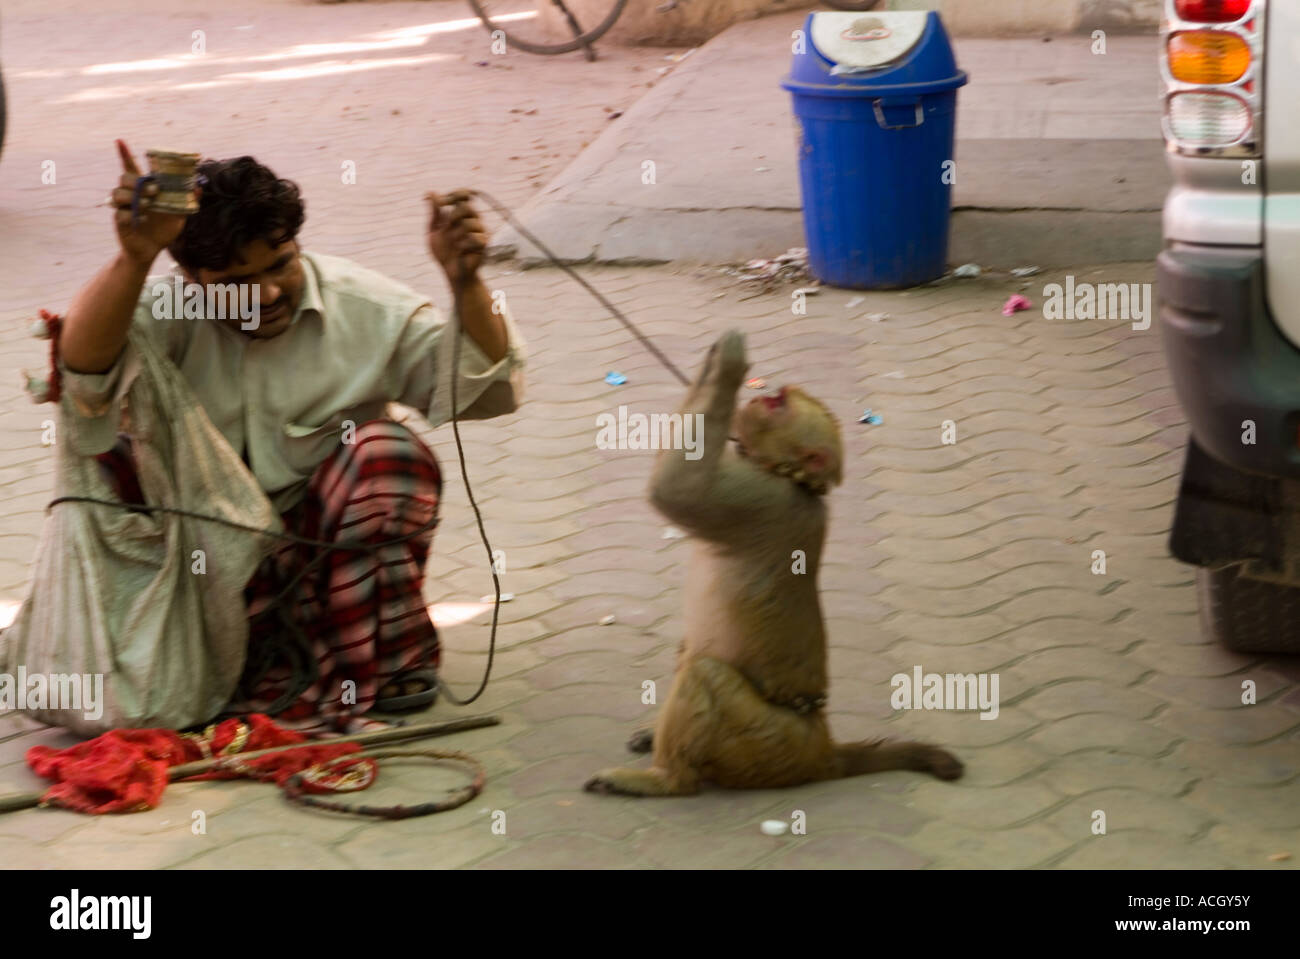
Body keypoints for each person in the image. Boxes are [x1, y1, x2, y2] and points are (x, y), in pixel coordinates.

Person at [53, 141, 525, 731]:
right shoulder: (161, 309)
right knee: (109, 459)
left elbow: (487, 390)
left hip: (319, 566)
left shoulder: (365, 307)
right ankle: (203, 660)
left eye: (281, 263)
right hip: (200, 565)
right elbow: (82, 374)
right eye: (238, 281)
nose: (269, 293)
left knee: (387, 456)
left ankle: (388, 660)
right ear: (192, 279)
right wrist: (133, 258)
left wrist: (468, 285)